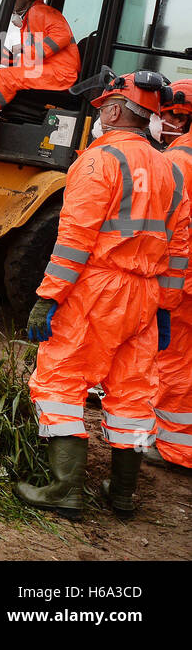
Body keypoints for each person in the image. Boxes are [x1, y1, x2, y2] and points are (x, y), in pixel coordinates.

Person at [17, 71, 190, 518]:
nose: (97, 118)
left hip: (97, 291)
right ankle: (122, 493)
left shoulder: (98, 161)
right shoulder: (169, 166)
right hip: (145, 297)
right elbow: (178, 245)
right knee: (133, 392)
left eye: (100, 110)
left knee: (61, 380)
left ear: (114, 111)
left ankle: (65, 490)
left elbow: (74, 240)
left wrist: (47, 297)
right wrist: (166, 308)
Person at [150, 81, 192, 470]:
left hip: (186, 283)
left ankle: (175, 448)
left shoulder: (179, 159)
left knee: (176, 361)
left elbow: (171, 230)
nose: (160, 122)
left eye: (166, 115)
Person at [0, 0, 80, 114]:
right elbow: (32, 54)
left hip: (61, 74)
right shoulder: (31, 18)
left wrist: (26, 50)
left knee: (4, 77)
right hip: (52, 71)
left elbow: (62, 34)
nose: (13, 1)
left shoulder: (38, 11)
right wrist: (12, 60)